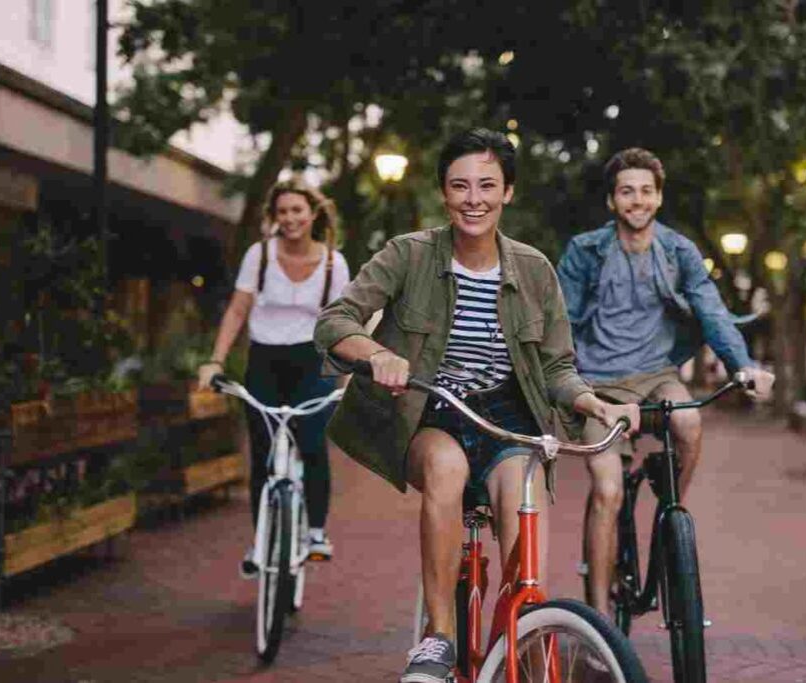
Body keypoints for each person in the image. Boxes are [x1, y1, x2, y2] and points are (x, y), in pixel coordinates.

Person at [314, 128, 640, 683]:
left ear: (508, 192)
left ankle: (521, 636)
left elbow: (558, 367)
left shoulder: (534, 270)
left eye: (488, 185)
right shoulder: (408, 254)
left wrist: (593, 402)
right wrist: (376, 355)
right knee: (447, 468)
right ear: (443, 192)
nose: (474, 198)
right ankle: (438, 638)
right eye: (460, 185)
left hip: (508, 419)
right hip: (432, 412)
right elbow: (334, 323)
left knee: (522, 518)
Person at [556, 147, 775, 615]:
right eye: (626, 192)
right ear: (612, 201)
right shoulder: (585, 251)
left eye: (646, 191)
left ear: (659, 197)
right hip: (598, 385)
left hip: (657, 374)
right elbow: (562, 324)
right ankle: (598, 620)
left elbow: (712, 312)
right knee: (608, 492)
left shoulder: (678, 251)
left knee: (691, 423)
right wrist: (563, 383)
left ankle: (668, 514)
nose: (637, 200)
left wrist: (743, 365)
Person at [198, 180, 350, 575]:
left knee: (313, 442)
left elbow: (344, 324)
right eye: (282, 212)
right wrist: (215, 360)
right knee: (263, 453)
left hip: (313, 360)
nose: (290, 219)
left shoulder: (334, 262)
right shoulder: (259, 255)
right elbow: (237, 310)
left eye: (297, 210)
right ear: (274, 217)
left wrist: (348, 377)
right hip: (264, 361)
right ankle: (261, 540)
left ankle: (316, 531)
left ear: (313, 214)